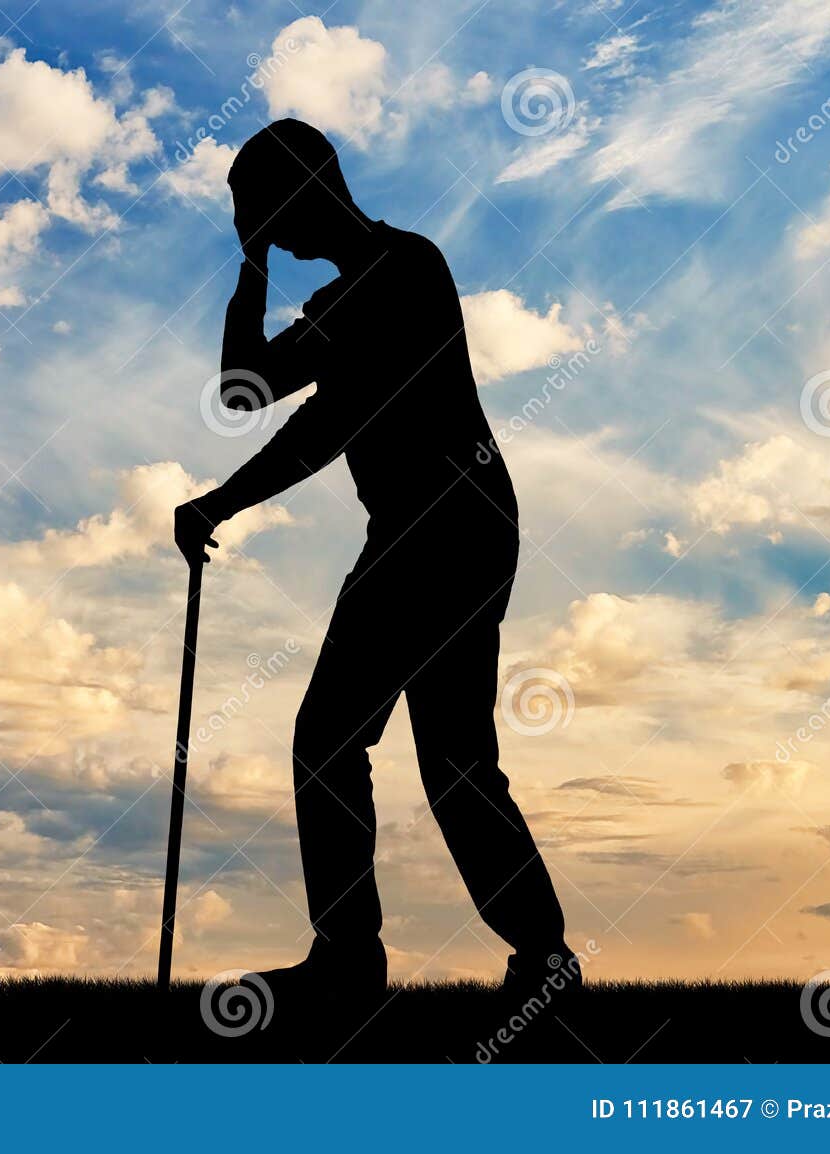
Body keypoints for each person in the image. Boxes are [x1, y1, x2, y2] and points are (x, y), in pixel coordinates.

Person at [173, 119, 576, 1003]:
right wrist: (250, 264)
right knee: (452, 762)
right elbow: (253, 392)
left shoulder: (402, 272)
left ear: (313, 187)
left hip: (441, 528)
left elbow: (311, 420)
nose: (270, 236)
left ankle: (358, 959)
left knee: (338, 741)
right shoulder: (351, 295)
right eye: (256, 225)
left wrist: (220, 502)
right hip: (438, 527)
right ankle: (537, 960)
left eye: (268, 217)